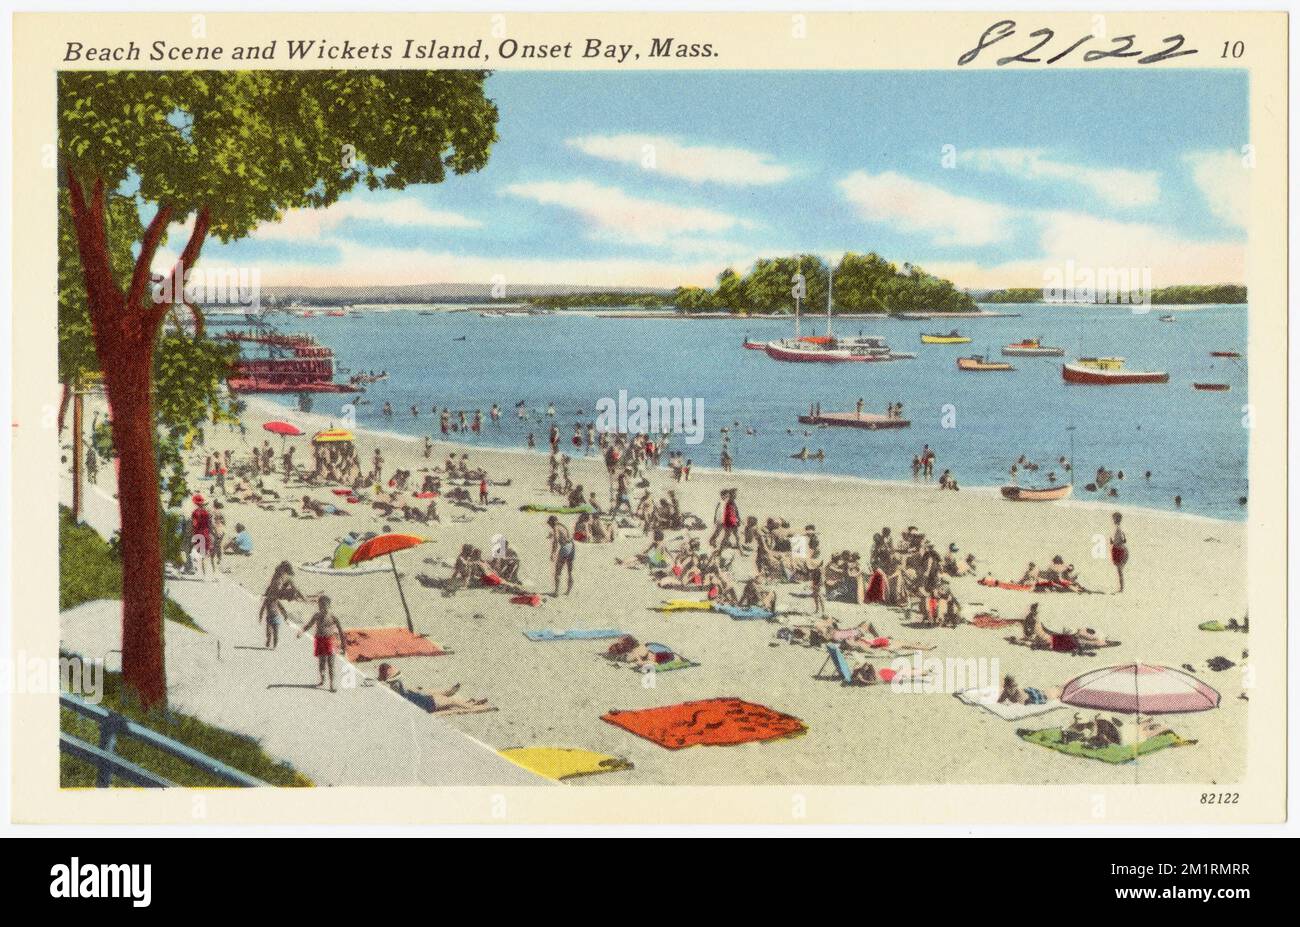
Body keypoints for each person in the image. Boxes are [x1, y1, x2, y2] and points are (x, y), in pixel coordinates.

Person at [299, 594, 347, 692]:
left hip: (330, 641)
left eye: (325, 606)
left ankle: (332, 684)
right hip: (320, 640)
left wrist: (343, 647)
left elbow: (341, 632)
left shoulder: (333, 617)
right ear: (319, 606)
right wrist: (301, 631)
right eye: (321, 606)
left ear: (329, 606)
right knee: (321, 662)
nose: (323, 609)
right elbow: (309, 624)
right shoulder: (316, 615)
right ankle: (322, 678)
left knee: (331, 663)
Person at [259, 560, 304, 650]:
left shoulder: (276, 600)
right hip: (269, 618)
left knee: (275, 633)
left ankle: (275, 645)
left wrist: (286, 617)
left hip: (276, 618)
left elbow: (282, 609)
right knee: (269, 632)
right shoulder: (267, 600)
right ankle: (268, 640)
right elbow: (262, 609)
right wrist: (260, 617)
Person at [547, 515, 575, 596]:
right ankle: (568, 592)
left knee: (558, 571)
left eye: (550, 524)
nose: (550, 526)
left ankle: (556, 592)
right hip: (572, 546)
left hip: (565, 548)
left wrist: (553, 553)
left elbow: (556, 541)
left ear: (552, 522)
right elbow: (565, 535)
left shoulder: (556, 527)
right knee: (570, 571)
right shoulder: (562, 526)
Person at [1109, 511, 1128, 593]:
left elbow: (1115, 541)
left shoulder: (1117, 528)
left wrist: (1111, 542)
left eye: (1114, 518)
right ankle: (1121, 587)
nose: (1113, 520)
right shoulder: (1119, 528)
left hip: (1119, 550)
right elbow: (1124, 540)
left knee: (1119, 570)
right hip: (1121, 549)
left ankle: (1121, 588)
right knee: (1120, 570)